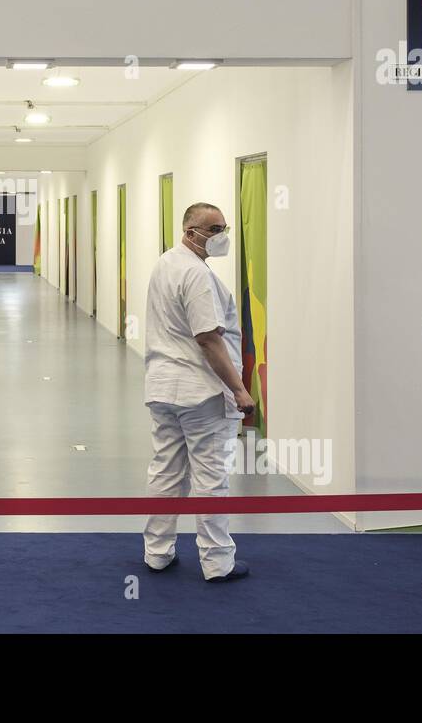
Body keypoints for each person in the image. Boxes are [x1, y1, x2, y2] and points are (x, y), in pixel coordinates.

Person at [142, 202, 256, 582]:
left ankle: (157, 553)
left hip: (163, 388)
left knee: (166, 471)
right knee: (210, 478)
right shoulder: (196, 275)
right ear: (190, 232)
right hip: (201, 392)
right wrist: (239, 390)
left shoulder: (166, 263)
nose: (222, 234)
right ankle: (217, 562)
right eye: (214, 228)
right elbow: (208, 339)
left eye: (224, 226)